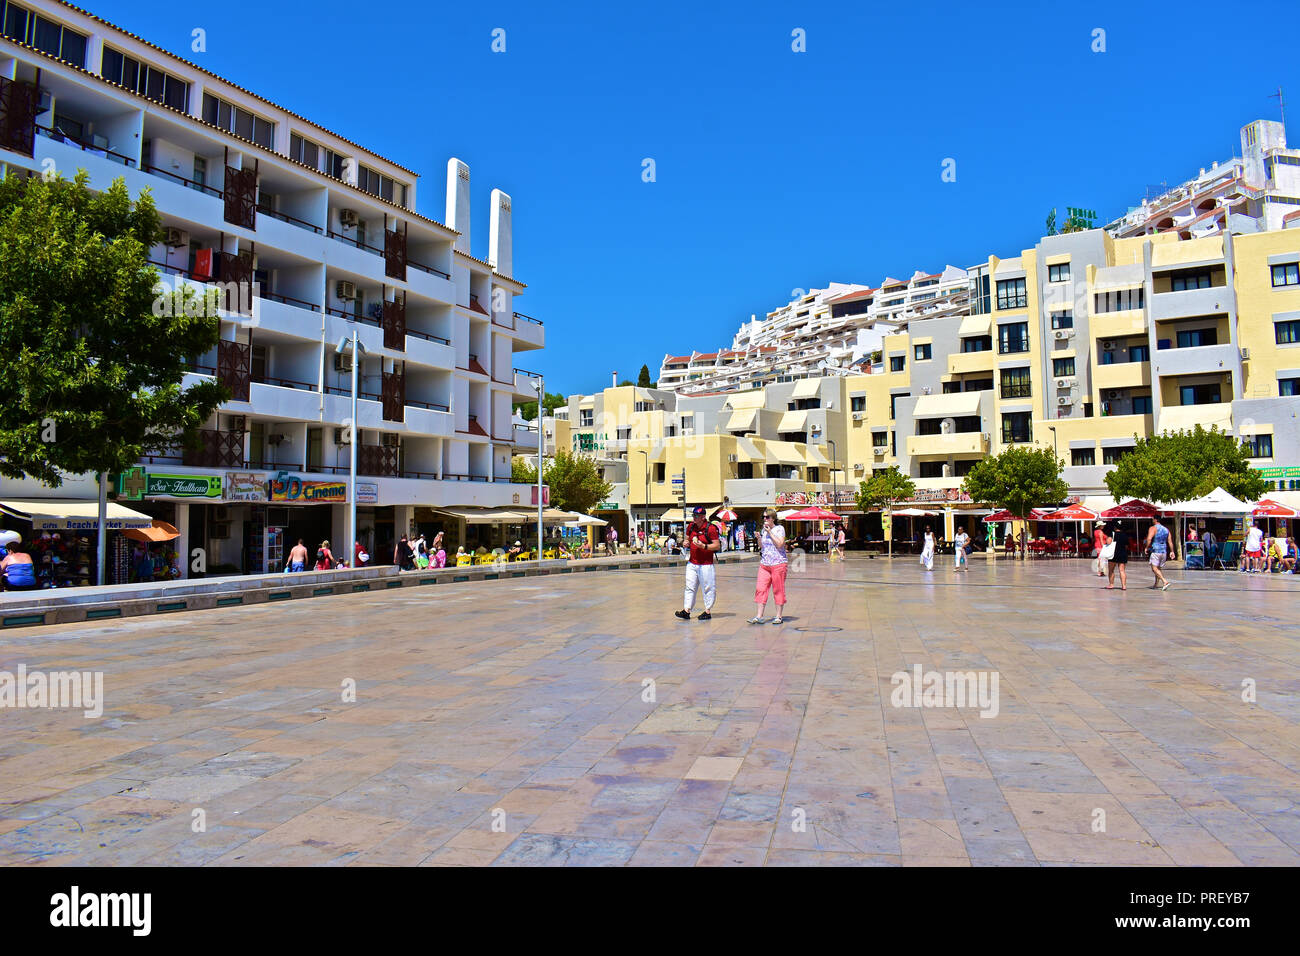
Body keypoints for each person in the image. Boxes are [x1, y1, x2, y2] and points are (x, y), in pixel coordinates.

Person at [675, 505, 721, 621]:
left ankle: (707, 611)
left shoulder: (710, 528)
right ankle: (686, 610)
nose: (694, 518)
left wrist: (704, 546)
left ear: (703, 517)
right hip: (692, 562)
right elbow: (686, 539)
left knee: (708, 587)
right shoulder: (691, 527)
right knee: (689, 586)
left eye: (697, 516)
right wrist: (685, 543)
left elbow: (716, 545)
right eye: (693, 515)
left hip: (706, 564)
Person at [749, 508, 788, 625]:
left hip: (778, 563)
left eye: (767, 517)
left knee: (778, 589)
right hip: (765, 564)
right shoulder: (764, 530)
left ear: (773, 518)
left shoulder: (779, 529)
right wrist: (759, 538)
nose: (765, 519)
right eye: (764, 517)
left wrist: (770, 532)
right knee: (760, 589)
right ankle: (759, 616)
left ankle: (778, 616)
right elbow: (762, 547)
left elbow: (780, 544)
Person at [1144, 516, 1173, 591]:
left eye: (1153, 519)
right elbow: (1170, 541)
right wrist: (1172, 551)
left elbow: (1149, 539)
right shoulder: (1166, 529)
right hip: (1164, 551)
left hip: (1156, 550)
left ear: (1155, 520)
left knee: (1154, 569)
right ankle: (1156, 584)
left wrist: (1146, 547)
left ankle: (1165, 581)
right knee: (1158, 568)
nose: (1152, 520)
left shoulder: (1153, 528)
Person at [1105, 522, 1130, 591]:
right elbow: (1127, 546)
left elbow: (1108, 542)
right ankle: (1124, 586)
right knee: (1122, 570)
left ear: (1115, 527)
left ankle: (1111, 584)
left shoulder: (1112, 534)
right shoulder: (1125, 535)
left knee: (1111, 570)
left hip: (1113, 554)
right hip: (1122, 553)